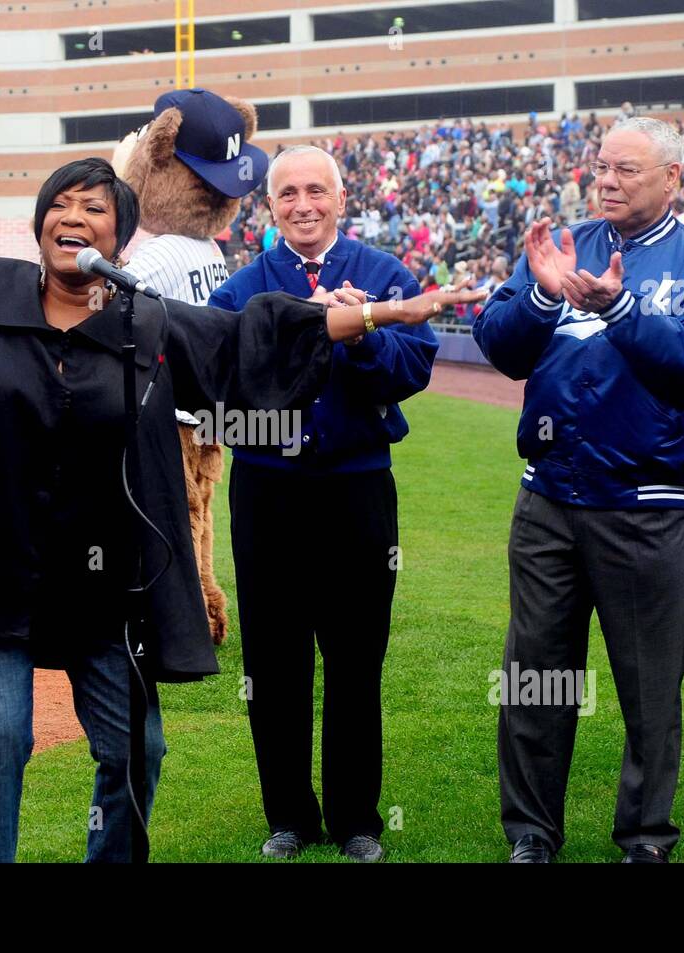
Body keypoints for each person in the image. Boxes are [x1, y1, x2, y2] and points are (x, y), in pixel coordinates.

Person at [0, 58, 466, 863]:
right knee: (0, 739)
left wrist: (386, 312)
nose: (73, 217)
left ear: (118, 235)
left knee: (137, 751)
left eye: (93, 208)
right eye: (60, 205)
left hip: (102, 584)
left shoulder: (143, 322)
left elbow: (249, 338)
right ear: (41, 224)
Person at [473, 117, 684, 864]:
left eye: (628, 170)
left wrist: (619, 311)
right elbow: (497, 344)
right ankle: (532, 833)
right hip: (549, 499)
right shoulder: (563, 243)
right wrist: (536, 294)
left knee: (648, 689)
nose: (609, 181)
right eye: (602, 167)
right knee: (538, 676)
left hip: (645, 506)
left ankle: (646, 836)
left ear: (673, 178)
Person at [208, 144, 448, 863]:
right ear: (268, 206)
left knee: (354, 660)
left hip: (356, 489)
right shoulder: (244, 287)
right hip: (267, 491)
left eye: (317, 191)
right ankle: (287, 815)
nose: (304, 204)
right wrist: (309, 324)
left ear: (342, 200)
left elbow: (414, 368)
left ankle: (357, 820)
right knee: (275, 662)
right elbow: (226, 381)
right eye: (288, 193)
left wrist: (365, 328)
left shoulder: (384, 275)